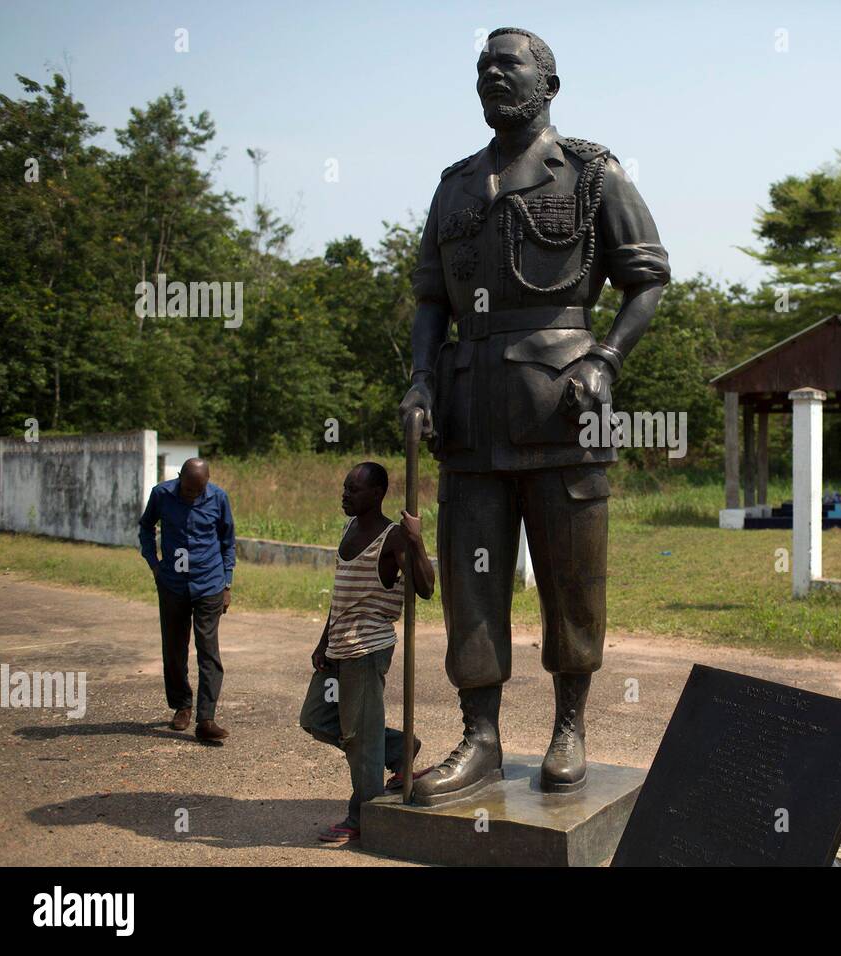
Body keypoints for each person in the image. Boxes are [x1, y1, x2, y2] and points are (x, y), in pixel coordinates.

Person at [398, 27, 669, 801]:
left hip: (564, 408)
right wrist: (420, 380)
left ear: (548, 84)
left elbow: (646, 276)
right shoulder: (454, 186)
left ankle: (570, 726)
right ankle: (480, 738)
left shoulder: (590, 172)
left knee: (572, 579)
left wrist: (606, 360)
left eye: (507, 65)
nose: (492, 75)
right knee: (469, 583)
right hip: (470, 412)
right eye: (482, 66)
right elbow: (428, 299)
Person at [299, 462, 435, 843]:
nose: (345, 494)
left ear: (377, 494)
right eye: (344, 488)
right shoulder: (350, 527)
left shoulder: (392, 537)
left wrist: (417, 540)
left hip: (367, 647)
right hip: (339, 646)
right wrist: (323, 641)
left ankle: (361, 815)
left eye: (353, 490)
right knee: (315, 716)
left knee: (358, 734)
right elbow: (341, 592)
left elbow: (425, 588)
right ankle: (399, 747)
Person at [138, 457, 235, 743]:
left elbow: (228, 540)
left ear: (207, 483)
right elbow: (146, 527)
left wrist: (227, 583)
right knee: (174, 648)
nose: (193, 495)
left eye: (199, 490)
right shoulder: (161, 494)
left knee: (208, 650)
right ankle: (182, 705)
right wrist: (154, 564)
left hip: (210, 583)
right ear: (180, 477)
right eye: (189, 489)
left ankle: (206, 718)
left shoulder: (218, 498)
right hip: (173, 585)